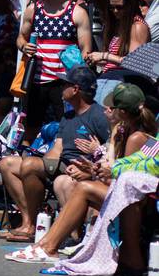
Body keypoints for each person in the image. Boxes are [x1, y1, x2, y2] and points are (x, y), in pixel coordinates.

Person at [10, 83, 157, 265]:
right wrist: (95, 166)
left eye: (113, 107)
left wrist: (97, 170)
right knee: (83, 186)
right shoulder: (125, 132)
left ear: (123, 113)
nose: (108, 109)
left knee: (85, 188)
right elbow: (117, 171)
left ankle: (48, 247)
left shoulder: (137, 138)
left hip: (137, 199)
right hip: (126, 193)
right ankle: (47, 245)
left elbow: (126, 180)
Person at [0, 66, 110, 243]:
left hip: (83, 167)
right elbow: (57, 149)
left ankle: (33, 226)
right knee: (7, 164)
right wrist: (38, 162)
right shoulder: (68, 116)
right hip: (62, 164)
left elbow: (112, 150)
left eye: (65, 83)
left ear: (76, 89)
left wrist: (92, 161)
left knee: (30, 166)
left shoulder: (98, 115)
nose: (61, 87)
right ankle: (29, 222)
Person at [17, 0, 92, 136]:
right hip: (37, 81)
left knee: (66, 128)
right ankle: (26, 157)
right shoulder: (33, 9)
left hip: (64, 83)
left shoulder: (77, 13)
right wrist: (23, 46)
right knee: (30, 128)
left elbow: (85, 50)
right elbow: (21, 37)